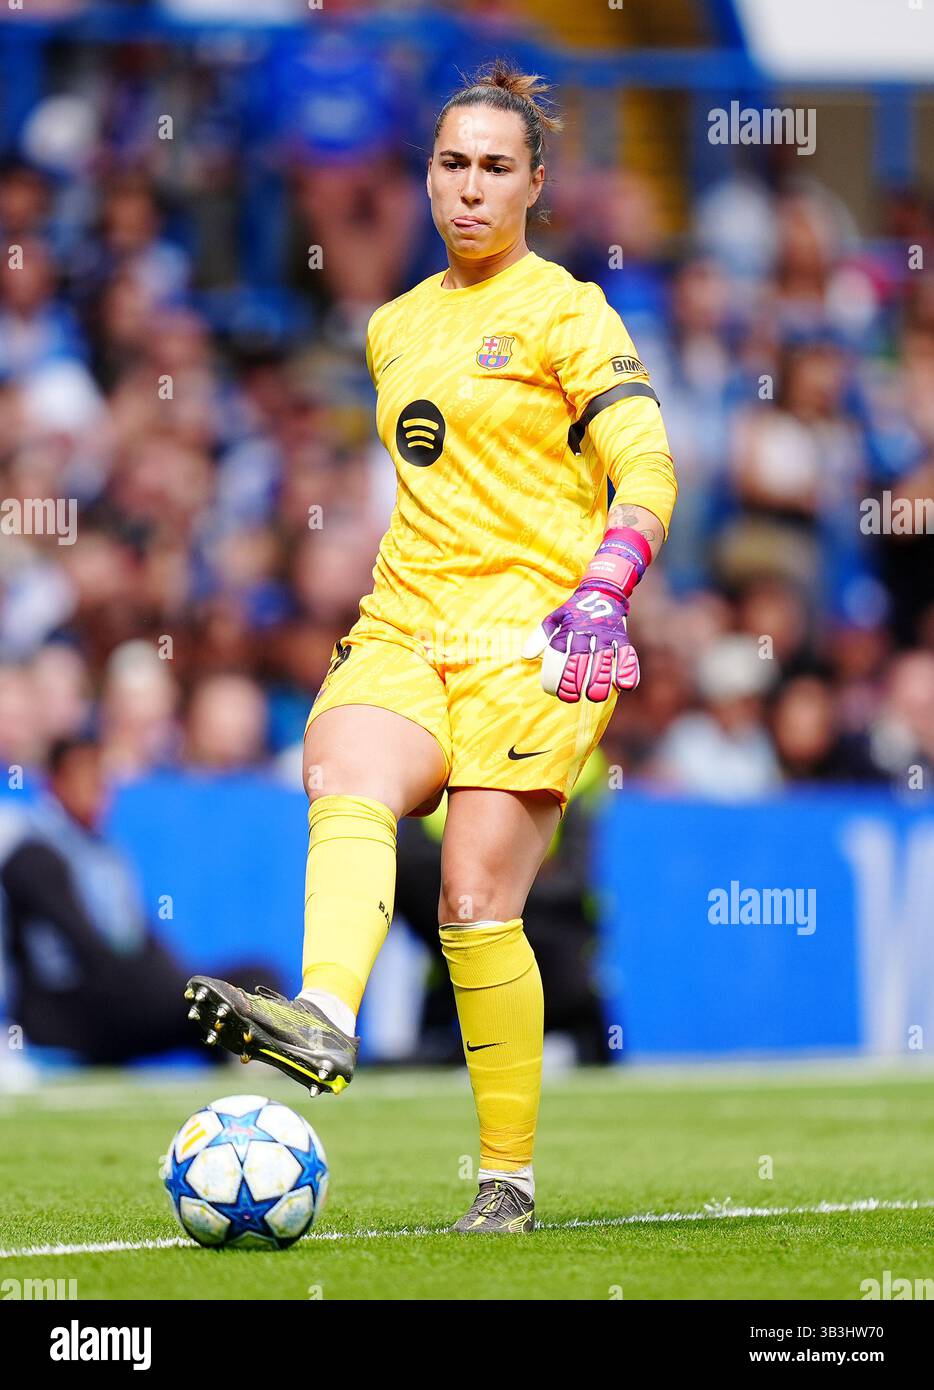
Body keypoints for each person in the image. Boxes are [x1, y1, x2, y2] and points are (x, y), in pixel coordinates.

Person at [186, 61, 677, 1234]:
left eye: (495, 168)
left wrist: (609, 584)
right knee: (344, 770)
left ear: (533, 185)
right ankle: (321, 1015)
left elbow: (647, 464)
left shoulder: (569, 311)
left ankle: (504, 1178)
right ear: (428, 173)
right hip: (407, 617)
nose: (469, 189)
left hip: (538, 630)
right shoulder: (393, 326)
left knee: (469, 902)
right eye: (452, 163)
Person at [0, 736, 280, 1065]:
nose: (96, 791)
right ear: (56, 783)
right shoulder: (35, 855)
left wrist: (185, 985)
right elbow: (90, 951)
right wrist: (168, 992)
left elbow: (140, 935)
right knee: (197, 1003)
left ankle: (239, 1046)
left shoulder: (105, 853)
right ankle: (237, 1046)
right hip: (68, 1008)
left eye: (100, 779)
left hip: (122, 992)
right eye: (83, 778)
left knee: (253, 978)